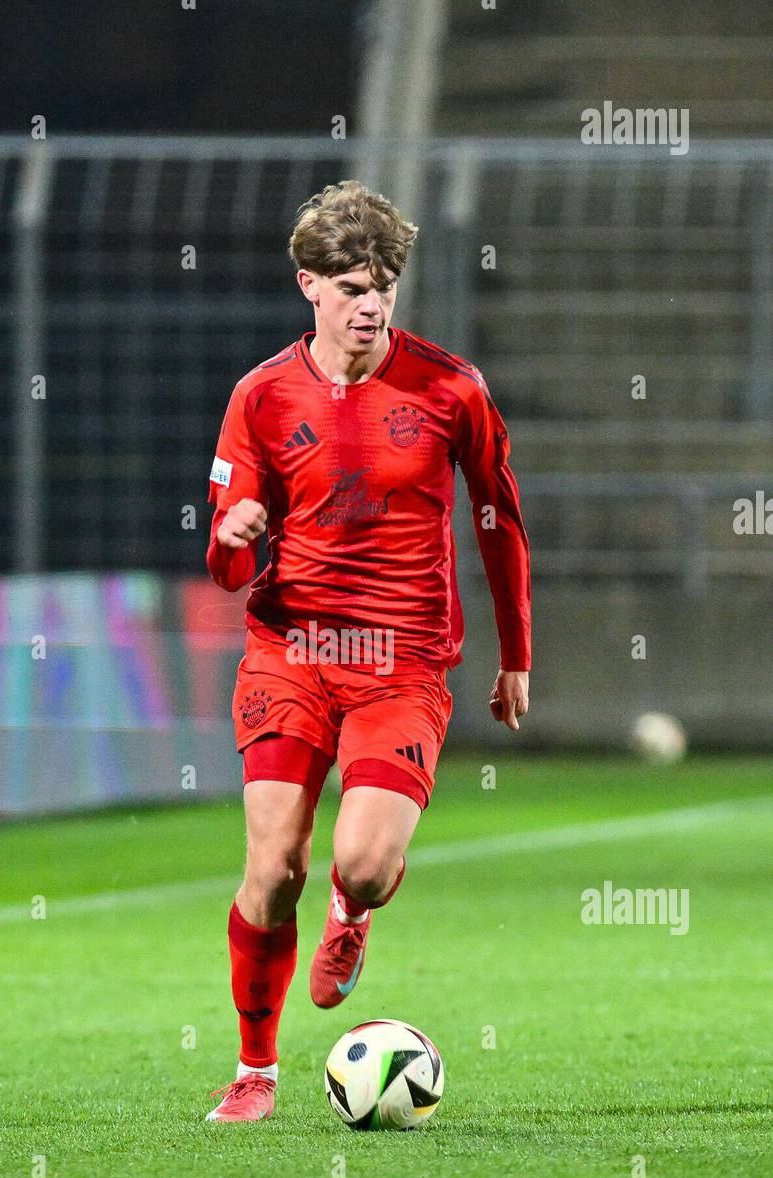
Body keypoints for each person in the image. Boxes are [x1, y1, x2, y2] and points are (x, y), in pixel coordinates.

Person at [204, 180, 530, 1122]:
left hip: (402, 662)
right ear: (309, 284)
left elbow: (500, 518)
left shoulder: (450, 387)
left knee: (364, 867)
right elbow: (223, 568)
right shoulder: (260, 397)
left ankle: (351, 920)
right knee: (273, 868)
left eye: (383, 282)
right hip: (290, 652)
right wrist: (234, 536)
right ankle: (255, 1072)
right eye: (350, 284)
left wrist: (515, 651)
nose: (371, 302)